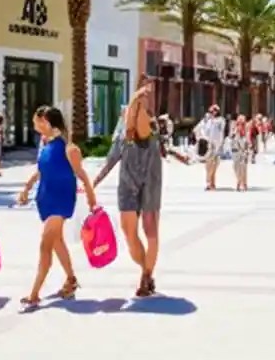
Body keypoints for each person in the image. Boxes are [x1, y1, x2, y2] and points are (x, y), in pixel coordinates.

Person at [94, 78, 189, 296]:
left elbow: (163, 146)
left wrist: (179, 155)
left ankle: (146, 276)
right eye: (134, 108)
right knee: (129, 232)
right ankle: (145, 268)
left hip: (150, 183)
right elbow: (110, 160)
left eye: (141, 108)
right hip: (127, 184)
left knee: (150, 229)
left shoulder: (153, 132)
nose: (137, 113)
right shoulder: (123, 137)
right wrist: (93, 183)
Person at [16, 106, 97, 308]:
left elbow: (82, 175)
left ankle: (34, 294)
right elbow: (41, 171)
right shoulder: (46, 144)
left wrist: (91, 199)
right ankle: (71, 279)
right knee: (57, 241)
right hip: (46, 199)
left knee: (45, 245)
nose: (34, 125)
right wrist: (26, 188)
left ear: (46, 121)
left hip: (61, 201)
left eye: (36, 121)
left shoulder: (68, 148)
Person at [195, 105, 225, 191]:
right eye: (211, 111)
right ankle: (209, 183)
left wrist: (220, 145)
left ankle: (212, 183)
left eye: (214, 111)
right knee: (208, 165)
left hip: (217, 145)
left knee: (215, 165)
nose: (212, 113)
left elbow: (221, 133)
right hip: (208, 145)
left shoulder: (220, 120)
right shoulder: (207, 120)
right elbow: (198, 129)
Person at [230, 114, 252, 190]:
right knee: (235, 166)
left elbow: (248, 139)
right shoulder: (234, 128)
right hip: (235, 149)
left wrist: (248, 148)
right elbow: (231, 137)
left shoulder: (246, 129)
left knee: (243, 167)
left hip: (243, 150)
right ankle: (239, 180)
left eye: (242, 121)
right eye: (239, 120)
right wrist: (235, 132)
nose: (240, 122)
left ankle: (243, 183)